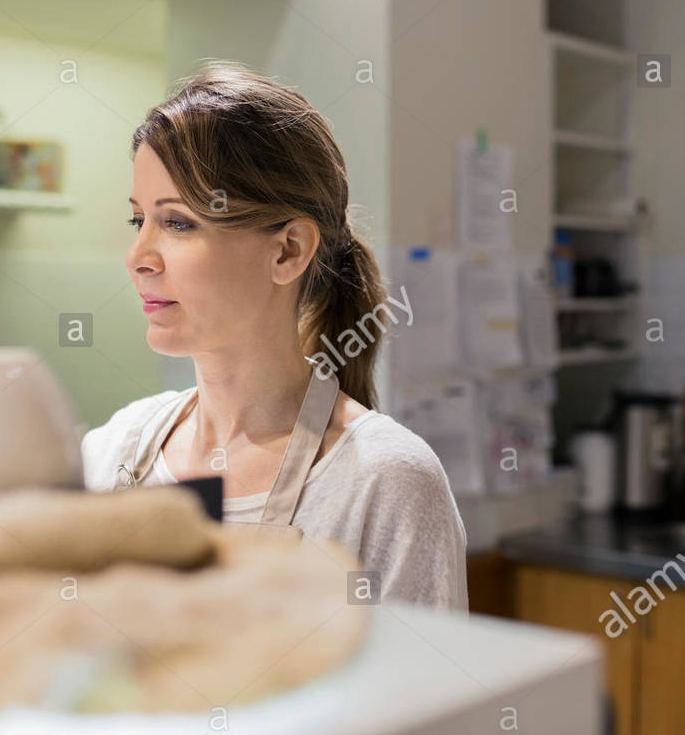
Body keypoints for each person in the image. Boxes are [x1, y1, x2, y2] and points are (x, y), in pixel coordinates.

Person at [80, 61, 467, 610]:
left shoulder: (384, 481)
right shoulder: (114, 449)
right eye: (137, 220)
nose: (137, 257)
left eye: (178, 223)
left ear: (287, 250)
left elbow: (431, 695)